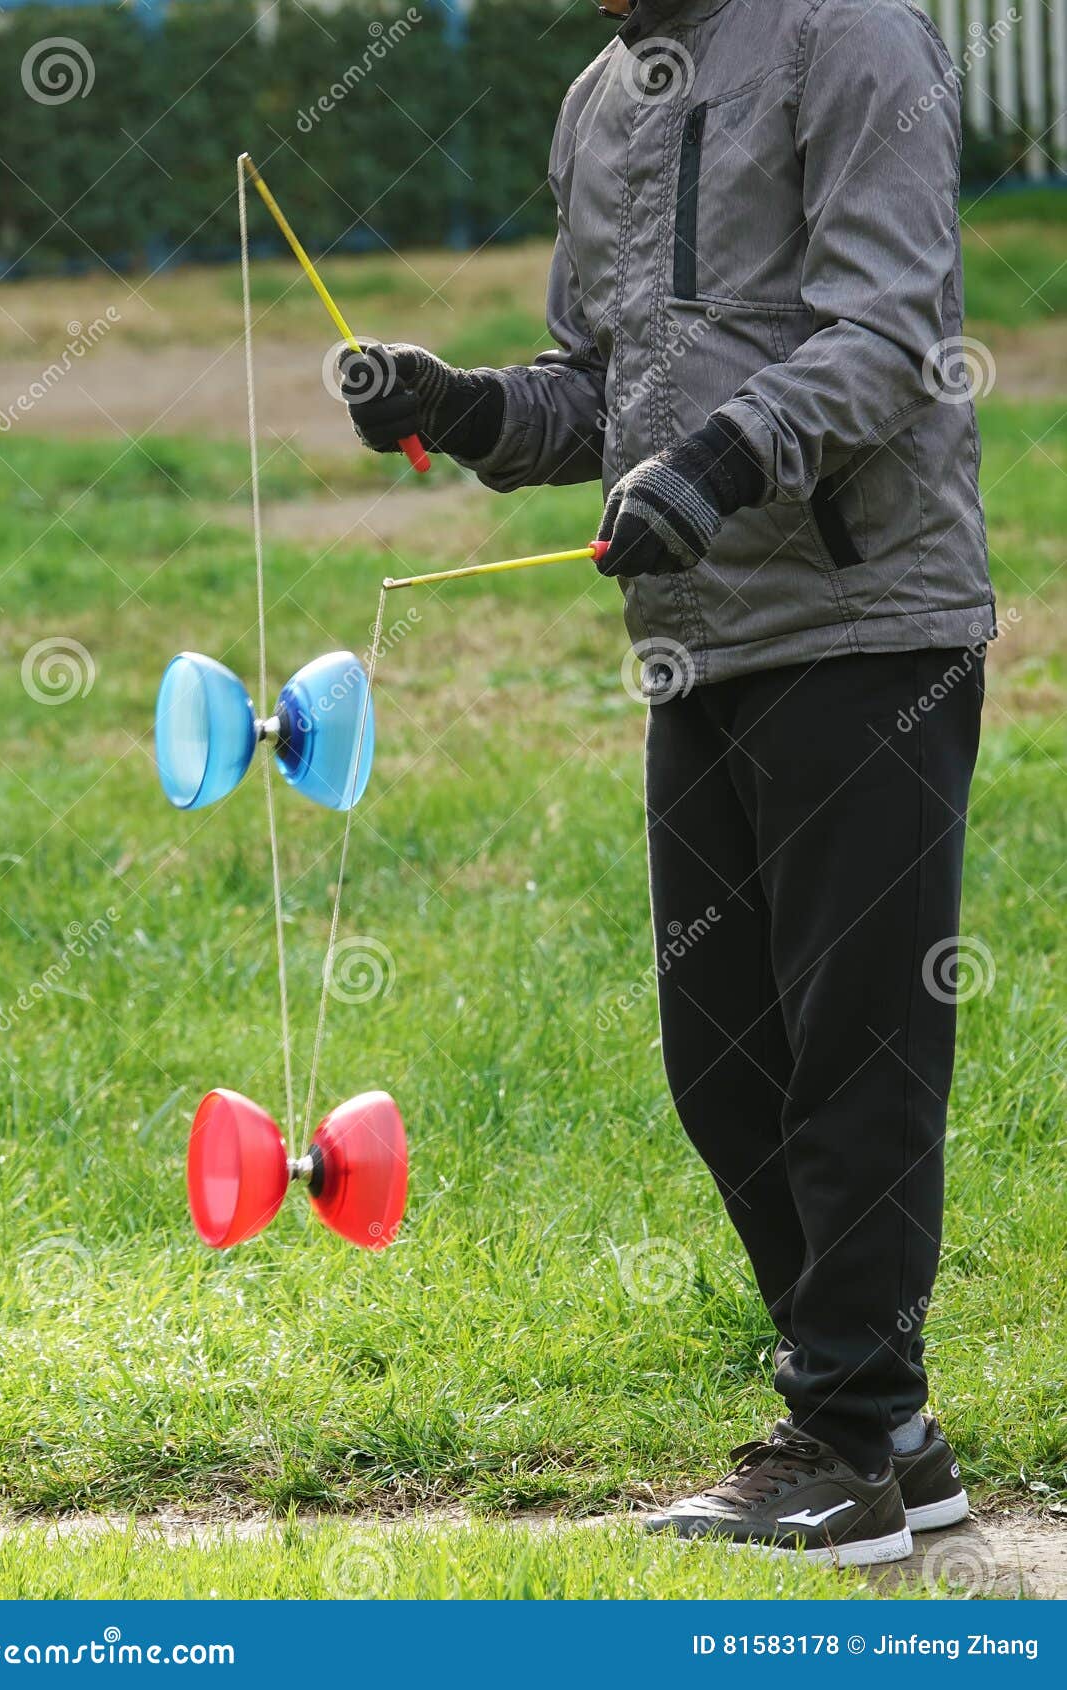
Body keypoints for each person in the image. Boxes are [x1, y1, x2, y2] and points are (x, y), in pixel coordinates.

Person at [339, 0, 992, 1567]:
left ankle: (844, 1434)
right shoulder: (602, 95)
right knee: (725, 1065)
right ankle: (889, 1433)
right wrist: (463, 408)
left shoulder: (855, 39)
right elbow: (604, 387)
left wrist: (722, 462)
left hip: (864, 622)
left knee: (857, 1056)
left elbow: (891, 331)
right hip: (696, 643)